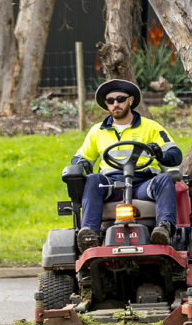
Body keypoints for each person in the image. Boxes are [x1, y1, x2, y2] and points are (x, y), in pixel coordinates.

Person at [70, 79, 183, 246]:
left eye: (120, 99)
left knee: (164, 179)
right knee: (93, 179)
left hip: (144, 184)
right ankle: (89, 233)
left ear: (130, 100)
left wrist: (160, 153)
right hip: (111, 186)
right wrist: (82, 163)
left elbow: (175, 154)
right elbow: (79, 157)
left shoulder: (150, 127)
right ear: (106, 104)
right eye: (110, 101)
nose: (116, 104)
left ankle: (164, 228)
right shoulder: (97, 131)